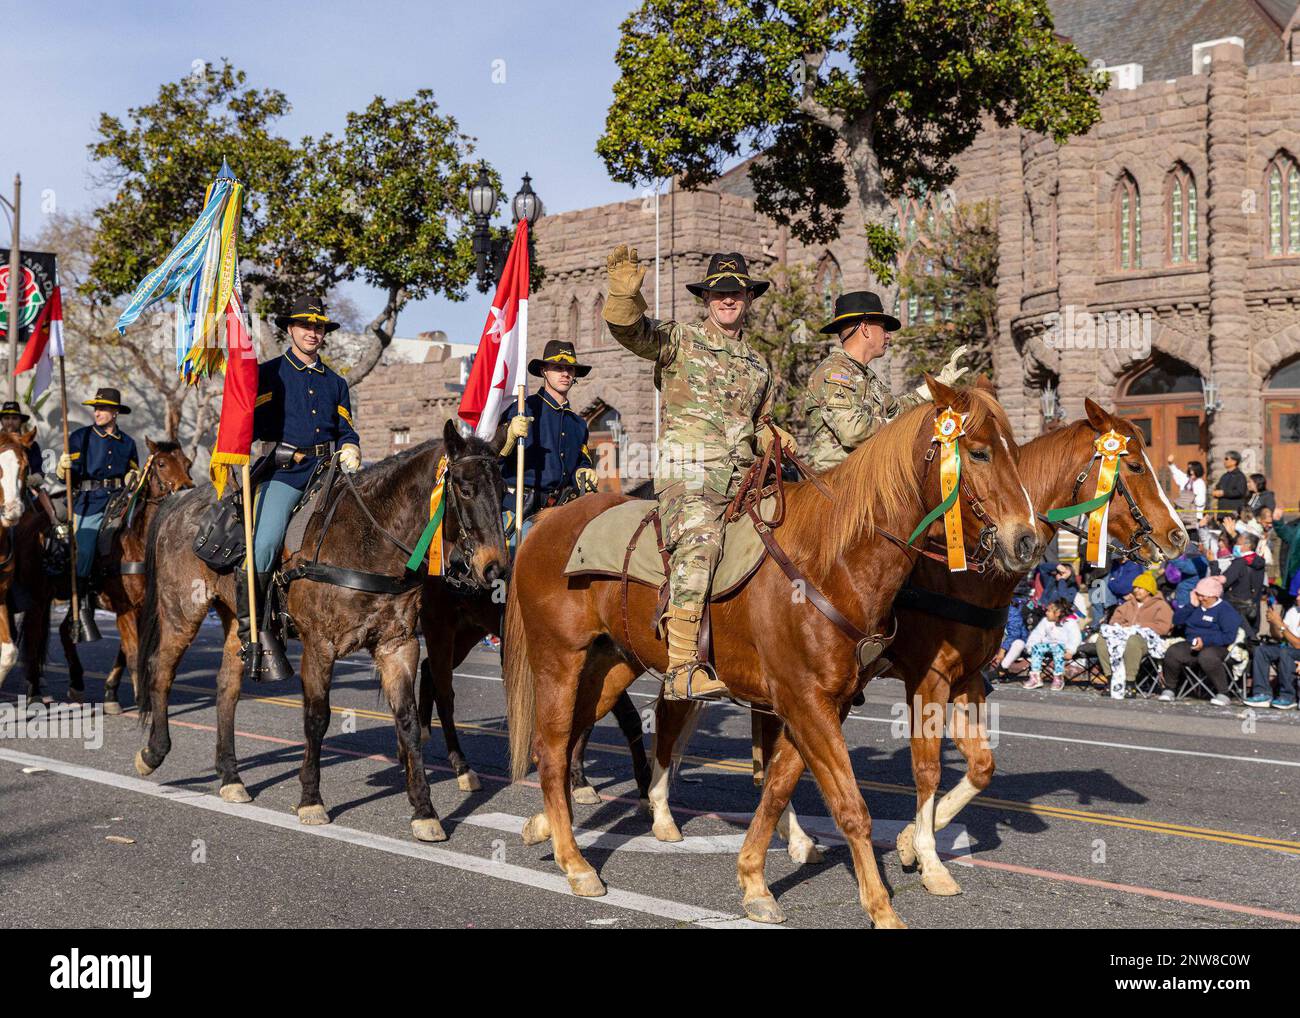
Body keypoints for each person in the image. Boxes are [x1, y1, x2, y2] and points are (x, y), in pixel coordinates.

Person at [604, 246, 791, 700]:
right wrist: (623, 298)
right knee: (702, 542)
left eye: (736, 292)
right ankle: (683, 666)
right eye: (719, 292)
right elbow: (633, 333)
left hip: (742, 479)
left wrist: (775, 438)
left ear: (748, 298)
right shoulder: (680, 339)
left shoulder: (759, 365)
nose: (727, 300)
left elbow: (758, 423)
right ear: (706, 298)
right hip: (688, 473)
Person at [246, 296, 361, 664]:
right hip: (284, 474)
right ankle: (255, 620)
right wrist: (271, 451)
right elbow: (250, 428)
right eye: (306, 326)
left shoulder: (336, 382)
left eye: (319, 327)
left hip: (329, 475)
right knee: (264, 543)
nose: (313, 333)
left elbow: (345, 429)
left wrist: (351, 446)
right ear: (290, 329)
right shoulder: (268, 373)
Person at [802, 291, 966, 472]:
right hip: (834, 485)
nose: (888, 336)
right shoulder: (834, 372)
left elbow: (898, 410)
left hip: (865, 479)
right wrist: (902, 427)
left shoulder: (867, 376)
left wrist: (935, 386)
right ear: (864, 328)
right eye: (884, 328)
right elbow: (853, 431)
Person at [497, 340, 598, 540]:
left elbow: (581, 461)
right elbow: (493, 459)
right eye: (558, 368)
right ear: (544, 371)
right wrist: (507, 438)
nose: (565, 374)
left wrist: (583, 471)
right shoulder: (523, 409)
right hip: (517, 509)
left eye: (570, 369)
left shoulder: (578, 424)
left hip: (559, 512)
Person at [56, 388, 139, 589]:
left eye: (102, 409)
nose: (97, 413)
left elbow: (134, 470)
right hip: (89, 502)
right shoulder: (79, 437)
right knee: (85, 549)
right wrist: (62, 470)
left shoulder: (128, 442)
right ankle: (82, 592)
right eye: (96, 409)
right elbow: (67, 478)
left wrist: (133, 477)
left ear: (115, 412)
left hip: (120, 501)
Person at [1159, 576, 1243, 706]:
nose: (1201, 598)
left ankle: (1223, 693)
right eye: (1199, 594)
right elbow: (1176, 621)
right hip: (1192, 644)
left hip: (1218, 646)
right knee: (1173, 652)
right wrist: (1191, 606)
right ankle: (1170, 689)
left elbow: (1228, 636)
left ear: (1214, 596)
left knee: (1207, 656)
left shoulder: (1225, 610)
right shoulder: (1195, 606)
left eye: (1205, 596)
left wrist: (1205, 641)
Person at [1095, 571, 1173, 699]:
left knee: (1133, 641)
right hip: (1122, 638)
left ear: (1149, 590)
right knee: (1102, 640)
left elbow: (1164, 627)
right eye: (1135, 587)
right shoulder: (1127, 605)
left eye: (1140, 588)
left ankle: (1130, 683)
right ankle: (1111, 680)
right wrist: (1124, 627)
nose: (1136, 590)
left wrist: (1139, 626)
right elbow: (1114, 621)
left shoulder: (1161, 605)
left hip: (1148, 640)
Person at [0, 400, 57, 525]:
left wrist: (29, 480)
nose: (10, 421)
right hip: (2, 491)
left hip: (25, 491)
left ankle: (56, 529)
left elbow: (39, 472)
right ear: (1, 420)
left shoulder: (30, 443)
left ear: (20, 421)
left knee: (59, 513)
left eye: (14, 418)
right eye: (6, 418)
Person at [1246, 596, 1299, 709]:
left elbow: (1298, 645)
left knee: (1286, 652)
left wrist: (1280, 624)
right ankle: (1262, 693)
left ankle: (1288, 696)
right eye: (1298, 594)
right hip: (1290, 648)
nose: (1297, 598)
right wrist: (1273, 623)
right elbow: (1279, 636)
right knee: (1262, 650)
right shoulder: (1293, 611)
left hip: (1295, 649)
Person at [1209, 531, 1264, 629]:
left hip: (1236, 612)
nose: (1235, 546)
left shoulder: (1239, 563)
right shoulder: (1257, 562)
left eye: (1237, 543)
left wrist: (1213, 563)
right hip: (1252, 612)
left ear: (1248, 545)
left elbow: (1220, 584)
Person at [1024, 598, 1082, 691]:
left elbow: (1075, 638)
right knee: (1037, 647)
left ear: (1058, 613)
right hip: (1049, 645)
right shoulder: (1045, 621)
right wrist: (1031, 646)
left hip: (1064, 647)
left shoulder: (1070, 622)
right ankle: (1035, 677)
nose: (1046, 613)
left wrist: (1071, 650)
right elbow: (1037, 634)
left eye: (1049, 611)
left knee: (1058, 648)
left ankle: (1058, 677)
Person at [1166, 456, 1206, 530]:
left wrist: (1190, 502)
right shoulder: (1185, 479)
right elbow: (1176, 472)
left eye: (1192, 469)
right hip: (1182, 514)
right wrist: (1170, 463)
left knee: (1193, 534)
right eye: (1189, 468)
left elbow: (1201, 501)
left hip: (1194, 515)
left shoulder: (1200, 483)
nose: (1190, 471)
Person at [1211, 451, 1247, 516]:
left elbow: (1240, 492)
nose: (1224, 461)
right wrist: (1215, 492)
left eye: (1226, 459)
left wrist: (1223, 493)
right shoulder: (1224, 476)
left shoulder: (1240, 476)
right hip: (1222, 512)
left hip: (1234, 512)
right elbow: (1218, 488)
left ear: (1234, 461)